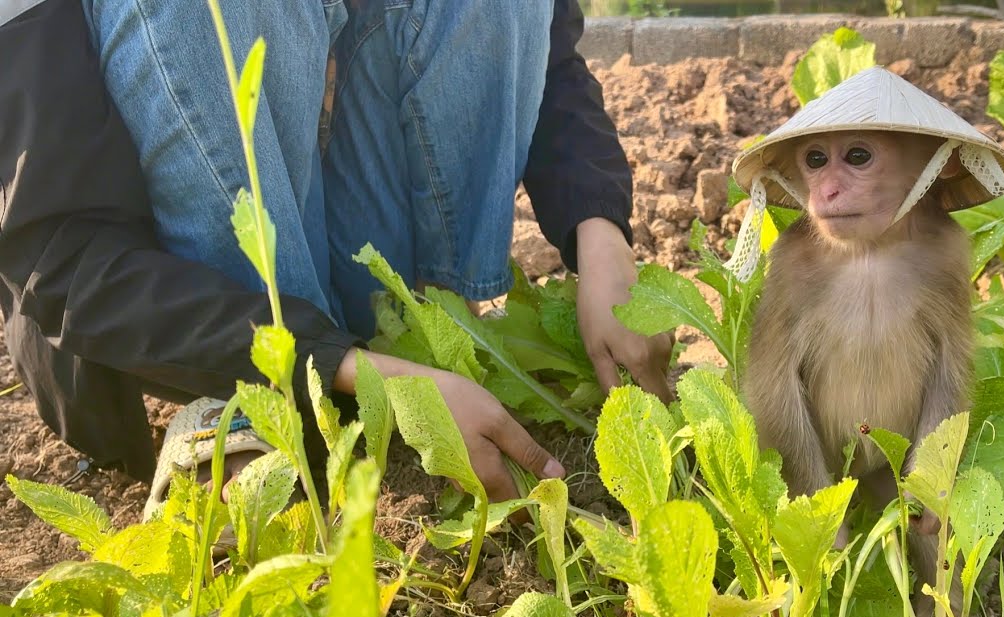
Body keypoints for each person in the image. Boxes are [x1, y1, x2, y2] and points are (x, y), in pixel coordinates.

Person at [0, 0, 673, 516]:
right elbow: (60, 259)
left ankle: (429, 334)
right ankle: (254, 418)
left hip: (351, 249)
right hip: (195, 319)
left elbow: (540, 48)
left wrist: (600, 239)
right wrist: (355, 371)